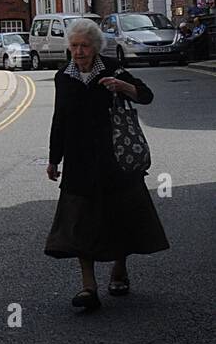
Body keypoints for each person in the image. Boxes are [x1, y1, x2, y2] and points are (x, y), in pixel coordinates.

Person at [44, 17, 169, 312]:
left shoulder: (114, 68)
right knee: (79, 224)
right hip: (78, 162)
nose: (79, 52)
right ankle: (89, 287)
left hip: (115, 159)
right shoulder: (63, 76)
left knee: (119, 217)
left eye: (84, 46)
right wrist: (53, 158)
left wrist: (123, 86)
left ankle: (119, 270)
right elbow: (59, 119)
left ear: (96, 47)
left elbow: (146, 96)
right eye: (74, 46)